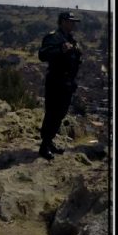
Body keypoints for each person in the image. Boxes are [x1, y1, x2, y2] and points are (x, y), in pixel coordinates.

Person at [37, 11, 82, 160]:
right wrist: (60, 50)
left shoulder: (70, 38)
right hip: (56, 81)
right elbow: (42, 55)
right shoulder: (53, 37)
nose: (73, 24)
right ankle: (44, 146)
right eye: (71, 21)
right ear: (62, 21)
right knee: (52, 113)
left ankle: (49, 142)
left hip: (67, 83)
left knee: (60, 114)